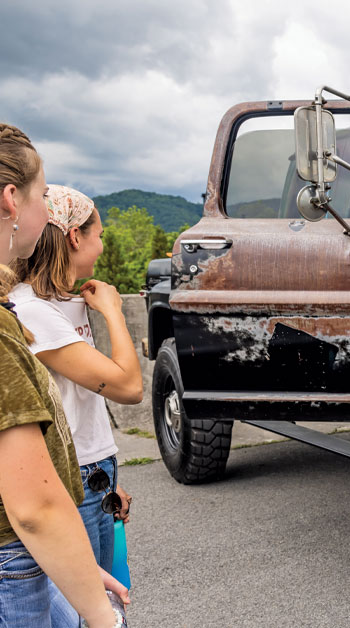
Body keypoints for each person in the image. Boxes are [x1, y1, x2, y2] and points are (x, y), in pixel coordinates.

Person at [0, 124, 126, 627]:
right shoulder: (13, 324)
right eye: (41, 193)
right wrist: (102, 614)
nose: (45, 208)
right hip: (13, 563)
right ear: (11, 201)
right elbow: (34, 506)